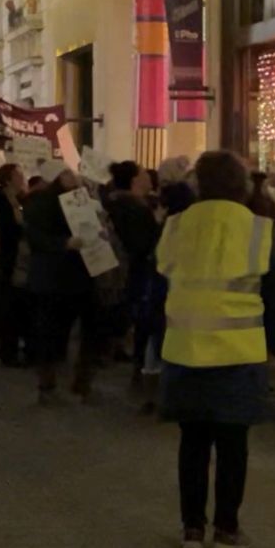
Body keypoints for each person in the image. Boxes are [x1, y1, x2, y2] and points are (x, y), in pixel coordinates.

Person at [159, 151, 275, 548]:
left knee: (192, 443)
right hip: (239, 352)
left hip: (185, 348)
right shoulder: (257, 229)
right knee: (233, 446)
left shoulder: (176, 226)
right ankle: (227, 531)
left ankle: (191, 528)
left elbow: (160, 270)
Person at [24, 161, 105, 403]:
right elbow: (36, 238)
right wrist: (64, 244)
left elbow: (92, 225)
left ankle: (82, 381)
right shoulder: (39, 203)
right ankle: (48, 383)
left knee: (91, 326)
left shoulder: (81, 199)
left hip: (81, 273)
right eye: (67, 173)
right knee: (52, 331)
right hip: (53, 277)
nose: (73, 176)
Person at [106, 161, 164, 401]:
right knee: (143, 323)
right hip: (137, 272)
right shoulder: (135, 208)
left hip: (122, 271)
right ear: (133, 179)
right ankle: (142, 375)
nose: (149, 177)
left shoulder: (113, 202)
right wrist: (158, 225)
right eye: (142, 173)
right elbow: (143, 245)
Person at [0, 163, 31, 367]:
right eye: (19, 174)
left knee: (17, 304)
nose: (22, 178)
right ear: (8, 178)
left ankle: (15, 345)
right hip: (5, 258)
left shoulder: (21, 199)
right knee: (7, 305)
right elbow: (2, 229)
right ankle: (8, 350)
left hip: (19, 260)